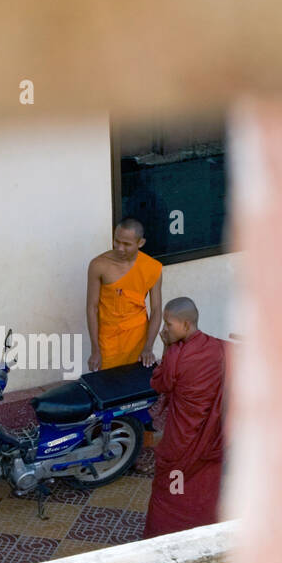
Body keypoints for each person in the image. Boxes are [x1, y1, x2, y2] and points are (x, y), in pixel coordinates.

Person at [143, 297, 227, 538]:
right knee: (202, 486)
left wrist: (166, 347)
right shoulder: (218, 347)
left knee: (168, 487)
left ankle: (163, 535)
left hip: (181, 439)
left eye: (168, 325)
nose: (163, 330)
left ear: (186, 325)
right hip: (209, 435)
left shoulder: (176, 354)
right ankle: (200, 535)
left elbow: (159, 382)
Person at [86, 218, 163, 371]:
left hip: (138, 337)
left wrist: (148, 347)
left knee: (136, 385)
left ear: (140, 243)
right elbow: (91, 308)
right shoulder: (99, 265)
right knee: (108, 386)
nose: (120, 248)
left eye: (127, 244)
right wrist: (95, 349)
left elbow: (156, 310)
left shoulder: (153, 267)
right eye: (117, 241)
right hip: (109, 340)